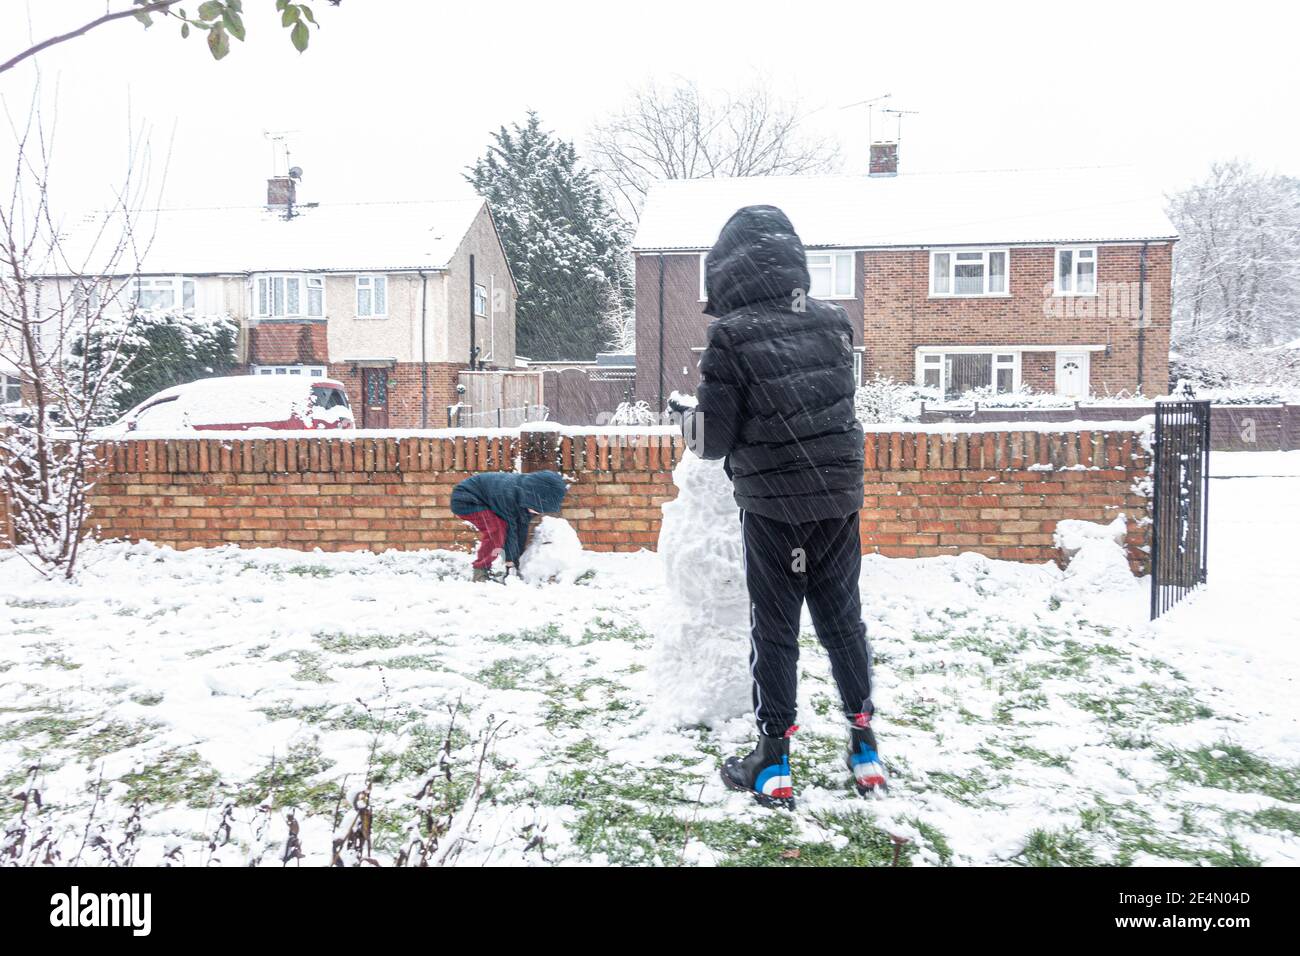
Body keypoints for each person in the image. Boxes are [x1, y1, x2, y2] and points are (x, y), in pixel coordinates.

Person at [670, 205, 886, 809]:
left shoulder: (732, 336)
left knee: (777, 627)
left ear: (728, 273)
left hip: (774, 508)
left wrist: (686, 420)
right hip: (839, 499)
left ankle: (772, 762)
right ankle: (865, 749)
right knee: (844, 620)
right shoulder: (833, 323)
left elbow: (712, 443)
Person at [450, 470, 568, 582]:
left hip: (487, 500)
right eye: (537, 508)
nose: (538, 512)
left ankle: (501, 567)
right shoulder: (509, 495)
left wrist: (517, 560)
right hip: (466, 499)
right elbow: (510, 531)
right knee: (497, 529)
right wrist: (510, 563)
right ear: (532, 496)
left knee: (503, 529)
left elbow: (521, 530)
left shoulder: (524, 500)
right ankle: (480, 571)